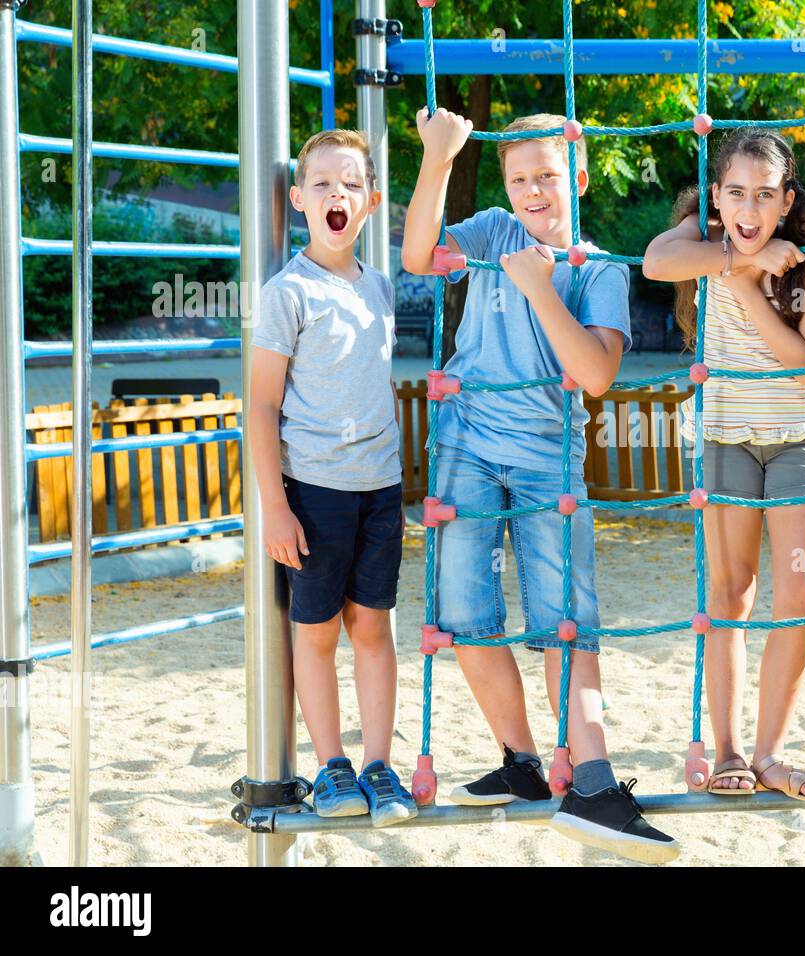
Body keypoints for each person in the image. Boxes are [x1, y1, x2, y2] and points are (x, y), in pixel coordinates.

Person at [402, 108, 679, 863]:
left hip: (545, 459)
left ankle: (590, 779)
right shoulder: (493, 232)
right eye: (519, 178)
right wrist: (438, 160)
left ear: (579, 179)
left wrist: (539, 289)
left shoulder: (600, 269)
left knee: (564, 619)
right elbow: (419, 253)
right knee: (462, 612)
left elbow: (594, 374)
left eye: (548, 176)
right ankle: (523, 761)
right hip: (464, 442)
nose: (533, 191)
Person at [643, 129, 805, 801]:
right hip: (726, 436)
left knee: (800, 594)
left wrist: (752, 280)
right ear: (717, 201)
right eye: (736, 195)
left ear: (786, 201)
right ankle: (728, 749)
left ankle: (772, 751)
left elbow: (804, 358)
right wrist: (730, 259)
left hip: (800, 436)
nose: (750, 210)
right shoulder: (705, 250)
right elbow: (653, 261)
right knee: (729, 594)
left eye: (764, 196)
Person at [248, 128, 417, 827]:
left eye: (350, 183)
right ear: (298, 200)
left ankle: (379, 765)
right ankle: (332, 765)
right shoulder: (288, 292)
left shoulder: (379, 287)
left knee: (373, 627)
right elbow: (259, 404)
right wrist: (274, 508)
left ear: (371, 201)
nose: (336, 194)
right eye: (321, 184)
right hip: (312, 492)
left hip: (378, 488)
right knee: (315, 632)